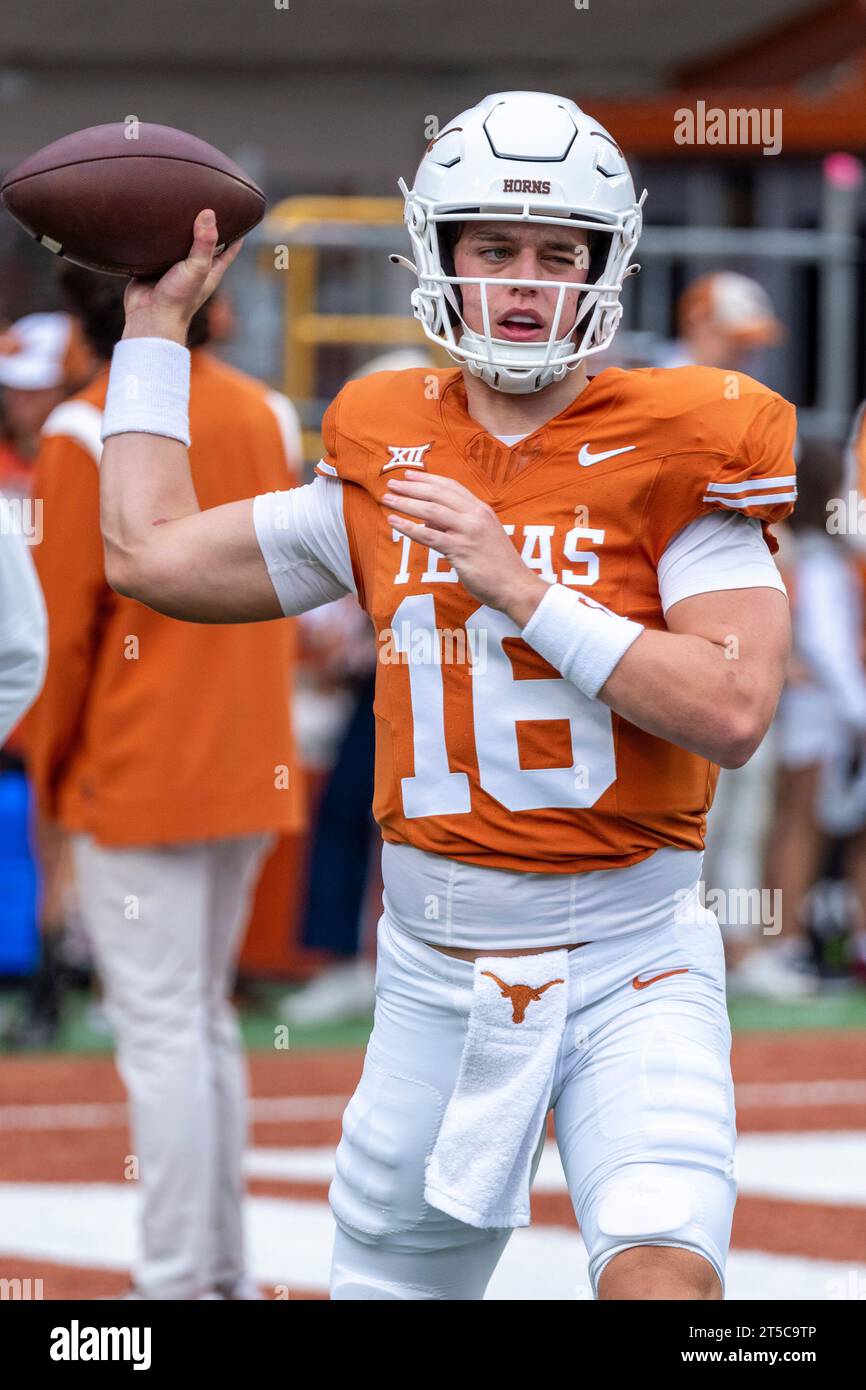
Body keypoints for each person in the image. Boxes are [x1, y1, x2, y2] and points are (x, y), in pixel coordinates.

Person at [95, 91, 796, 1301]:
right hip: (431, 967)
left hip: (630, 954)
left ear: (602, 266)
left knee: (664, 1278)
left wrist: (520, 583)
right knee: (392, 1289)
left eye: (556, 252)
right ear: (440, 257)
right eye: (494, 248)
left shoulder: (685, 437)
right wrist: (155, 334)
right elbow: (147, 556)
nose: (524, 281)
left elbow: (732, 709)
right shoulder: (386, 438)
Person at [22, 264, 306, 1300]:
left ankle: (180, 1279)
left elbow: (58, 641)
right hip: (247, 752)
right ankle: (214, 1271)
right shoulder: (264, 408)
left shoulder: (80, 429)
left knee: (163, 1033)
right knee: (202, 1020)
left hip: (137, 766)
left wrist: (53, 786)